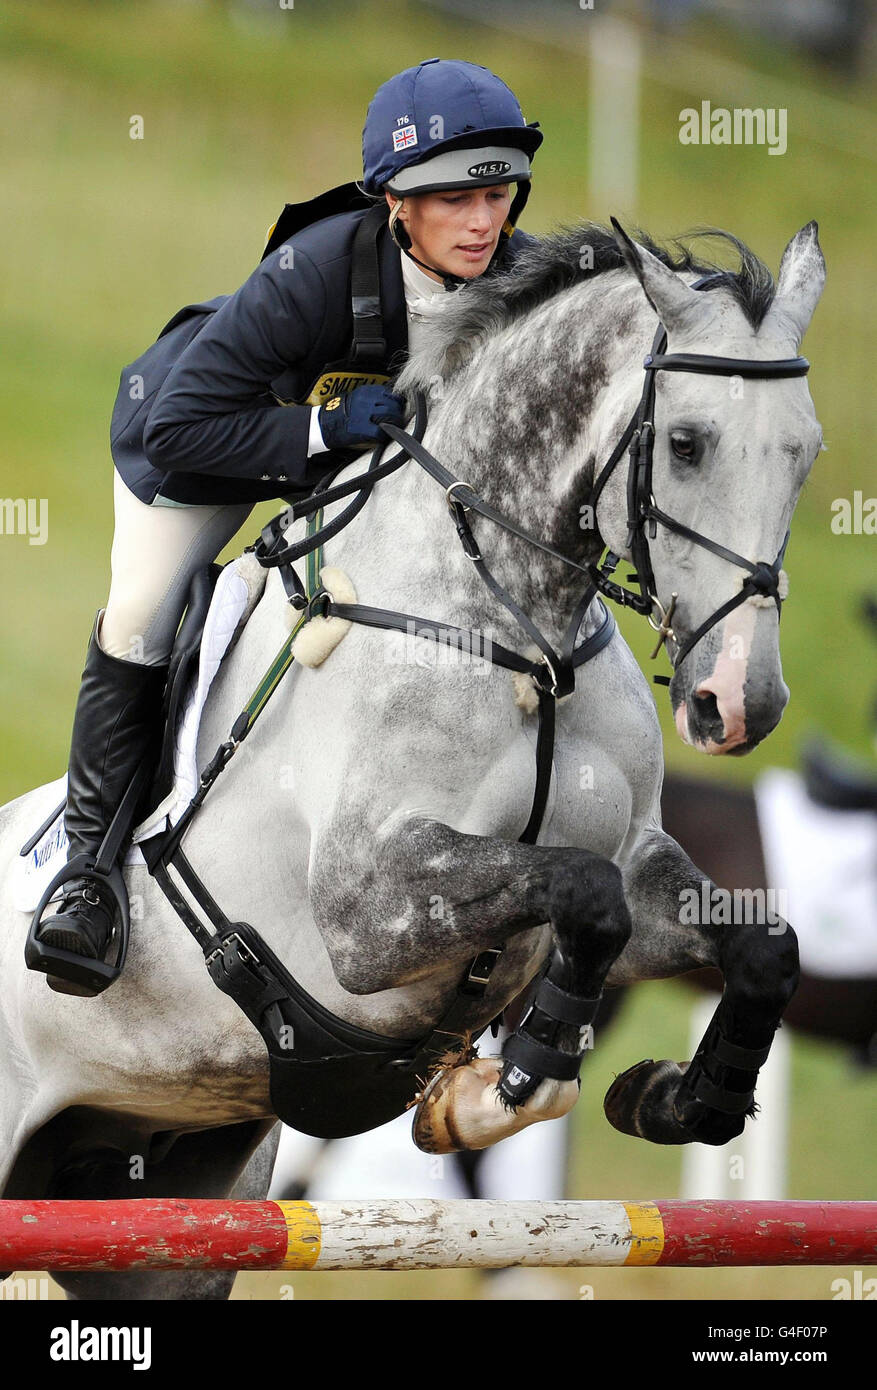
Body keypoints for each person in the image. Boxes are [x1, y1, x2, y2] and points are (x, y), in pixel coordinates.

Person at [31, 57, 542, 990]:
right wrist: (319, 427)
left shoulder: (517, 277)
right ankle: (86, 877)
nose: (483, 223)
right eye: (451, 200)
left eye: (498, 194)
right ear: (394, 200)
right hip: (200, 443)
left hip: (358, 470)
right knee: (145, 612)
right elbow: (180, 420)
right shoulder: (312, 271)